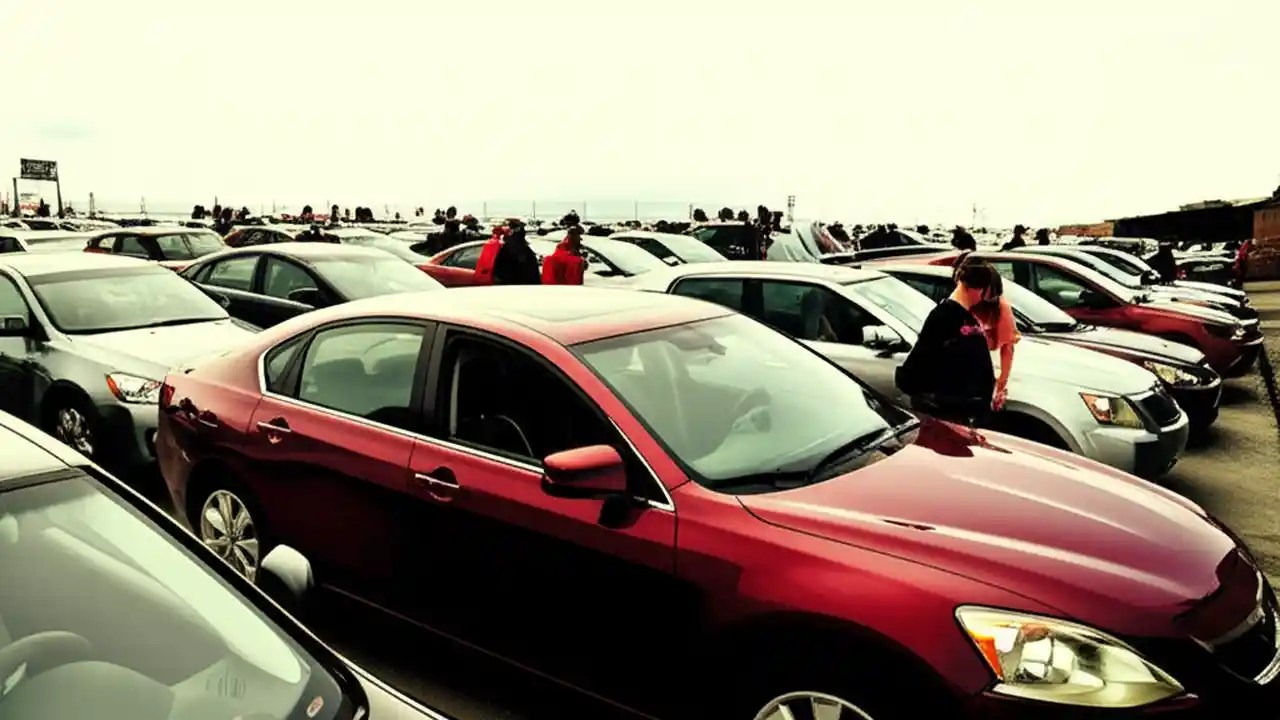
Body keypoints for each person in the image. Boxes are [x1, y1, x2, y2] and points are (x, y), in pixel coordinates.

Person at [894, 258, 1001, 425]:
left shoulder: (964, 316)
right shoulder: (944, 317)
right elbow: (918, 365)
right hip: (950, 412)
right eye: (987, 292)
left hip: (963, 408)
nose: (985, 299)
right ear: (977, 288)